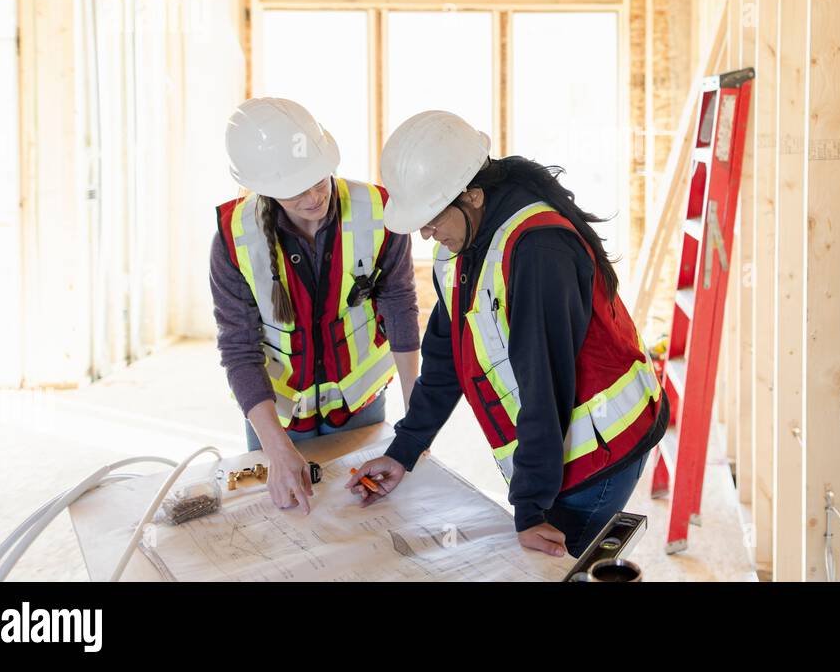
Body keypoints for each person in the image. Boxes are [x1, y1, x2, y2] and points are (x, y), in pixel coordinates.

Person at [347, 110, 668, 557]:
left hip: (600, 455)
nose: (425, 233)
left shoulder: (537, 251)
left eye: (432, 218)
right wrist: (405, 450)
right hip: (559, 452)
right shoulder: (464, 245)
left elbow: (544, 384)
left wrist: (531, 508)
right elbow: (445, 359)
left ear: (473, 195)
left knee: (556, 568)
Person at [211, 97, 420, 514]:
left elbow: (400, 306)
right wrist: (277, 448)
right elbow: (239, 349)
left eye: (317, 179)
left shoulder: (379, 212)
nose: (312, 197)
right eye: (293, 190)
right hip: (277, 414)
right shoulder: (234, 238)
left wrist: (418, 416)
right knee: (287, 523)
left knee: (371, 517)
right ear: (264, 188)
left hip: (359, 403)